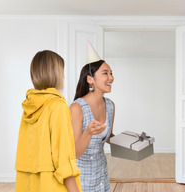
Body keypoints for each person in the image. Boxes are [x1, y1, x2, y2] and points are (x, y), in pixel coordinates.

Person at [15, 50, 81, 192]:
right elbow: (63, 157)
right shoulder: (58, 106)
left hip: (28, 185)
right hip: (53, 186)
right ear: (56, 74)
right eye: (62, 71)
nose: (64, 76)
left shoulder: (29, 107)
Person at [70, 42, 115, 192]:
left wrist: (133, 141)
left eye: (111, 73)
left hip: (101, 173)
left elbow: (108, 136)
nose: (111, 77)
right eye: (105, 73)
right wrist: (88, 133)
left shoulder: (110, 105)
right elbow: (75, 152)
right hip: (82, 177)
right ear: (90, 79)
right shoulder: (77, 108)